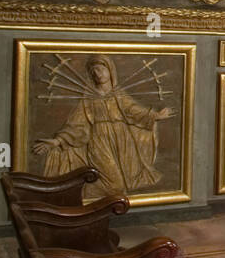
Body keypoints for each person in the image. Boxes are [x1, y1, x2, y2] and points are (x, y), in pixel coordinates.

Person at [32, 55, 175, 200]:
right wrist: (57, 141)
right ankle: (79, 194)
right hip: (99, 141)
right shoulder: (88, 97)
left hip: (123, 140)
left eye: (101, 69)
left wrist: (155, 116)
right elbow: (77, 123)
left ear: (110, 71)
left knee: (128, 180)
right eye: (94, 71)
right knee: (114, 185)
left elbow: (133, 110)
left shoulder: (118, 94)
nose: (97, 73)